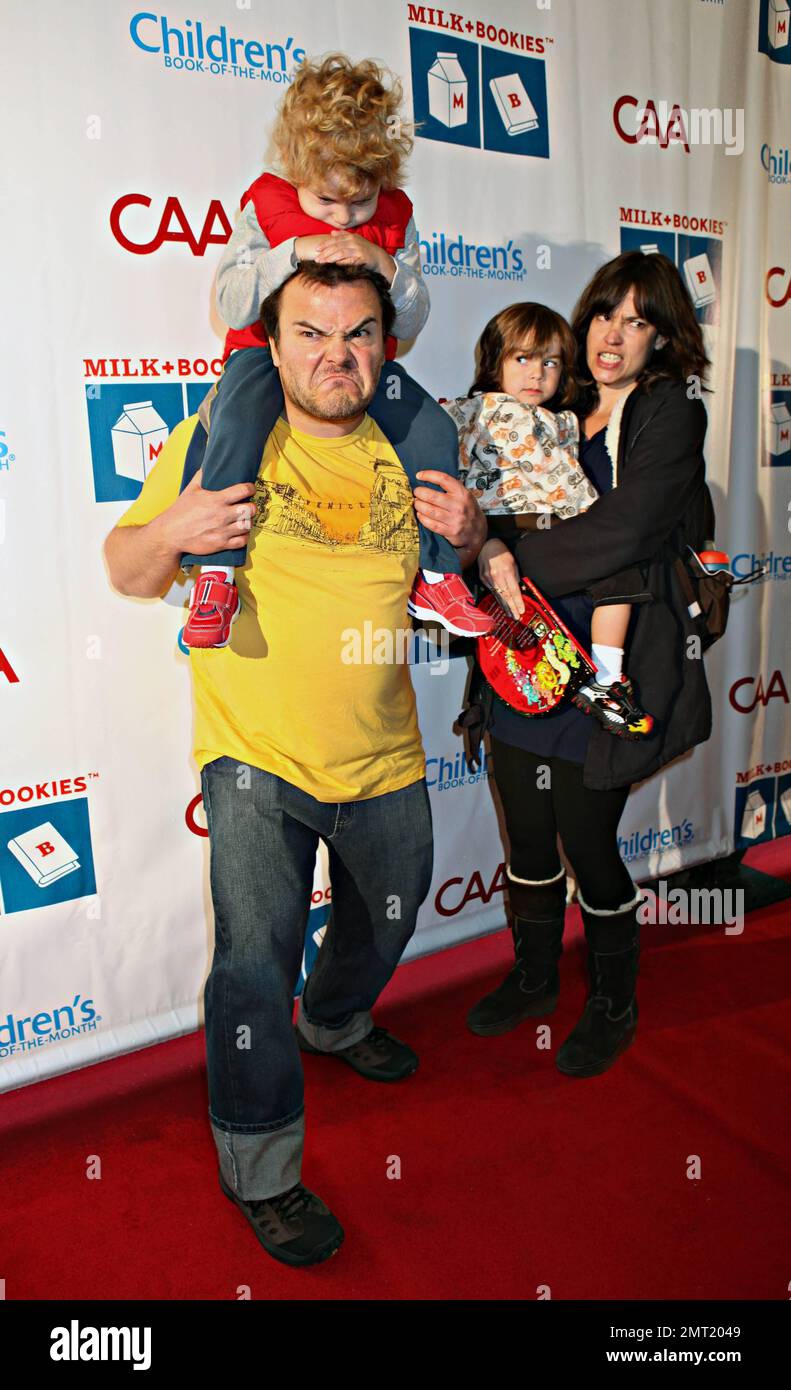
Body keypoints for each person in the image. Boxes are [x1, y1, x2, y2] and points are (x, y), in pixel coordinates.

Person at [103, 260, 485, 1267]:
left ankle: (334, 1017)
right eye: (310, 332)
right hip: (255, 758)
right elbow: (126, 563)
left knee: (390, 912)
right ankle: (263, 1167)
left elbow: (472, 580)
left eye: (358, 333)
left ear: (384, 346)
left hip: (386, 753)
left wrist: (475, 534)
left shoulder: (412, 446)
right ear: (269, 346)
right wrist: (173, 534)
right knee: (249, 962)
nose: (336, 354)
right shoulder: (215, 437)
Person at [459, 251, 713, 1077]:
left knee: (586, 842)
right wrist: (488, 545)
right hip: (518, 656)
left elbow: (632, 527)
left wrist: (513, 559)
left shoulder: (666, 409)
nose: (613, 335)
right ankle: (534, 977)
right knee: (526, 838)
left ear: (662, 338)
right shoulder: (548, 402)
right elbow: (484, 512)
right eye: (605, 313)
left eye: (638, 320)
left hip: (603, 671)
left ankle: (612, 997)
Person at [179, 51, 489, 648]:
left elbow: (416, 314)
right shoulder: (266, 205)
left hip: (365, 366)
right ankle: (215, 575)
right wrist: (292, 250)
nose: (344, 220)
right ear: (297, 172)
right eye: (326, 203)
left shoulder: (398, 218)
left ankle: (438, 576)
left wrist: (383, 263)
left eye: (360, 204)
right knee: (237, 425)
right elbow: (233, 302)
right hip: (262, 357)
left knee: (431, 428)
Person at [444, 300, 655, 738]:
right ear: (494, 362)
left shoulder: (544, 418)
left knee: (598, 586)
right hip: (518, 525)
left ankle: (593, 678)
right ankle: (606, 678)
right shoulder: (495, 413)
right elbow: (563, 483)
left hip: (529, 532)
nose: (536, 373)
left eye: (550, 362)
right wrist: (596, 521)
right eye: (522, 359)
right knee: (617, 570)